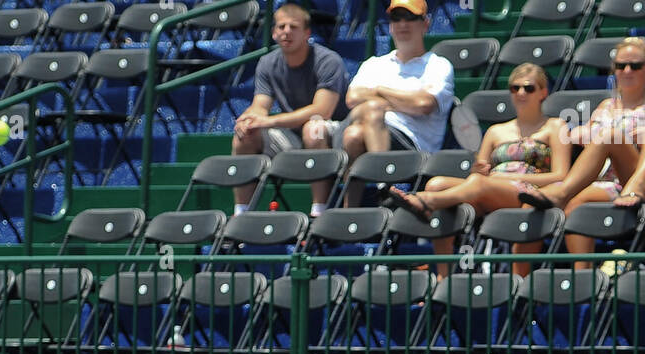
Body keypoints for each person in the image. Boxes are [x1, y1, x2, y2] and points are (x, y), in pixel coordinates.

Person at [384, 65, 571, 276]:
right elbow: (480, 173)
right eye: (514, 87)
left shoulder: (556, 126)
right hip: (489, 187)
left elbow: (561, 175)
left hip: (529, 192)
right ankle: (443, 275)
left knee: (478, 184)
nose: (520, 93)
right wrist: (479, 170)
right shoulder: (495, 131)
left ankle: (426, 202)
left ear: (543, 92)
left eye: (528, 88)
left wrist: (500, 177)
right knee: (436, 184)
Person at [515, 37, 645, 261]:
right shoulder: (605, 107)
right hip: (602, 178)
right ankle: (521, 282)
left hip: (641, 180)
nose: (626, 70)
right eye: (620, 65)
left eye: (634, 65)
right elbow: (586, 136)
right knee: (530, 205)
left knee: (578, 198)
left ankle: (580, 275)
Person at [231, 3, 348, 216]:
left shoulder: (328, 60)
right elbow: (260, 106)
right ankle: (241, 214)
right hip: (291, 136)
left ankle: (319, 211)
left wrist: (270, 121)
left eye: (293, 27)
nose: (286, 32)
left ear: (307, 33)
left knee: (314, 129)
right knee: (244, 135)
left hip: (334, 134)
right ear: (274, 33)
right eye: (281, 26)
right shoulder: (267, 63)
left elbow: (322, 110)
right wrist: (249, 119)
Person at [341, 0, 455, 167]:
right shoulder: (374, 63)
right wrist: (403, 102)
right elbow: (353, 97)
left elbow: (423, 104)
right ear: (390, 25)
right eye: (396, 18)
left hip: (414, 143)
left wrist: (379, 91)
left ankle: (382, 182)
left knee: (373, 109)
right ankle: (354, 193)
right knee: (353, 135)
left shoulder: (438, 65)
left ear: (425, 24)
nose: (402, 24)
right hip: (370, 130)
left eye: (410, 17)